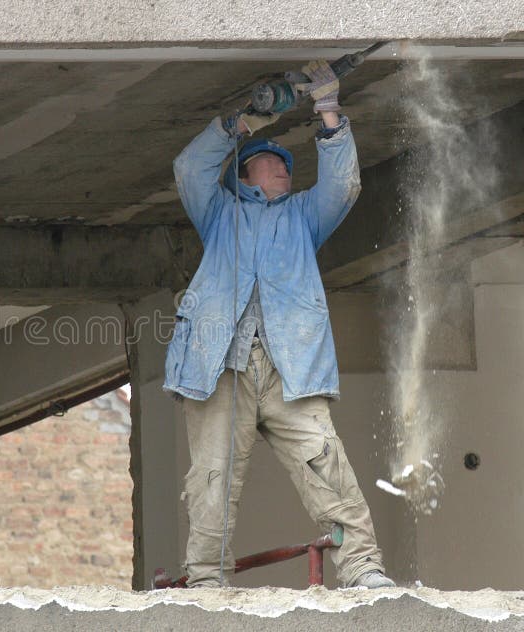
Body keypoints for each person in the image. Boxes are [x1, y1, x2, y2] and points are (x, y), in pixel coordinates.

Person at [163, 60, 395, 589]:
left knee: (324, 462)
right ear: (245, 175)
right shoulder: (221, 213)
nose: (283, 168)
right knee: (213, 479)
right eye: (271, 163)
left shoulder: (302, 216)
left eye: (286, 165)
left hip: (291, 366)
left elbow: (342, 186)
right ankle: (206, 582)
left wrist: (329, 110)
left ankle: (362, 567)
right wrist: (242, 123)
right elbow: (189, 169)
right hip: (221, 366)